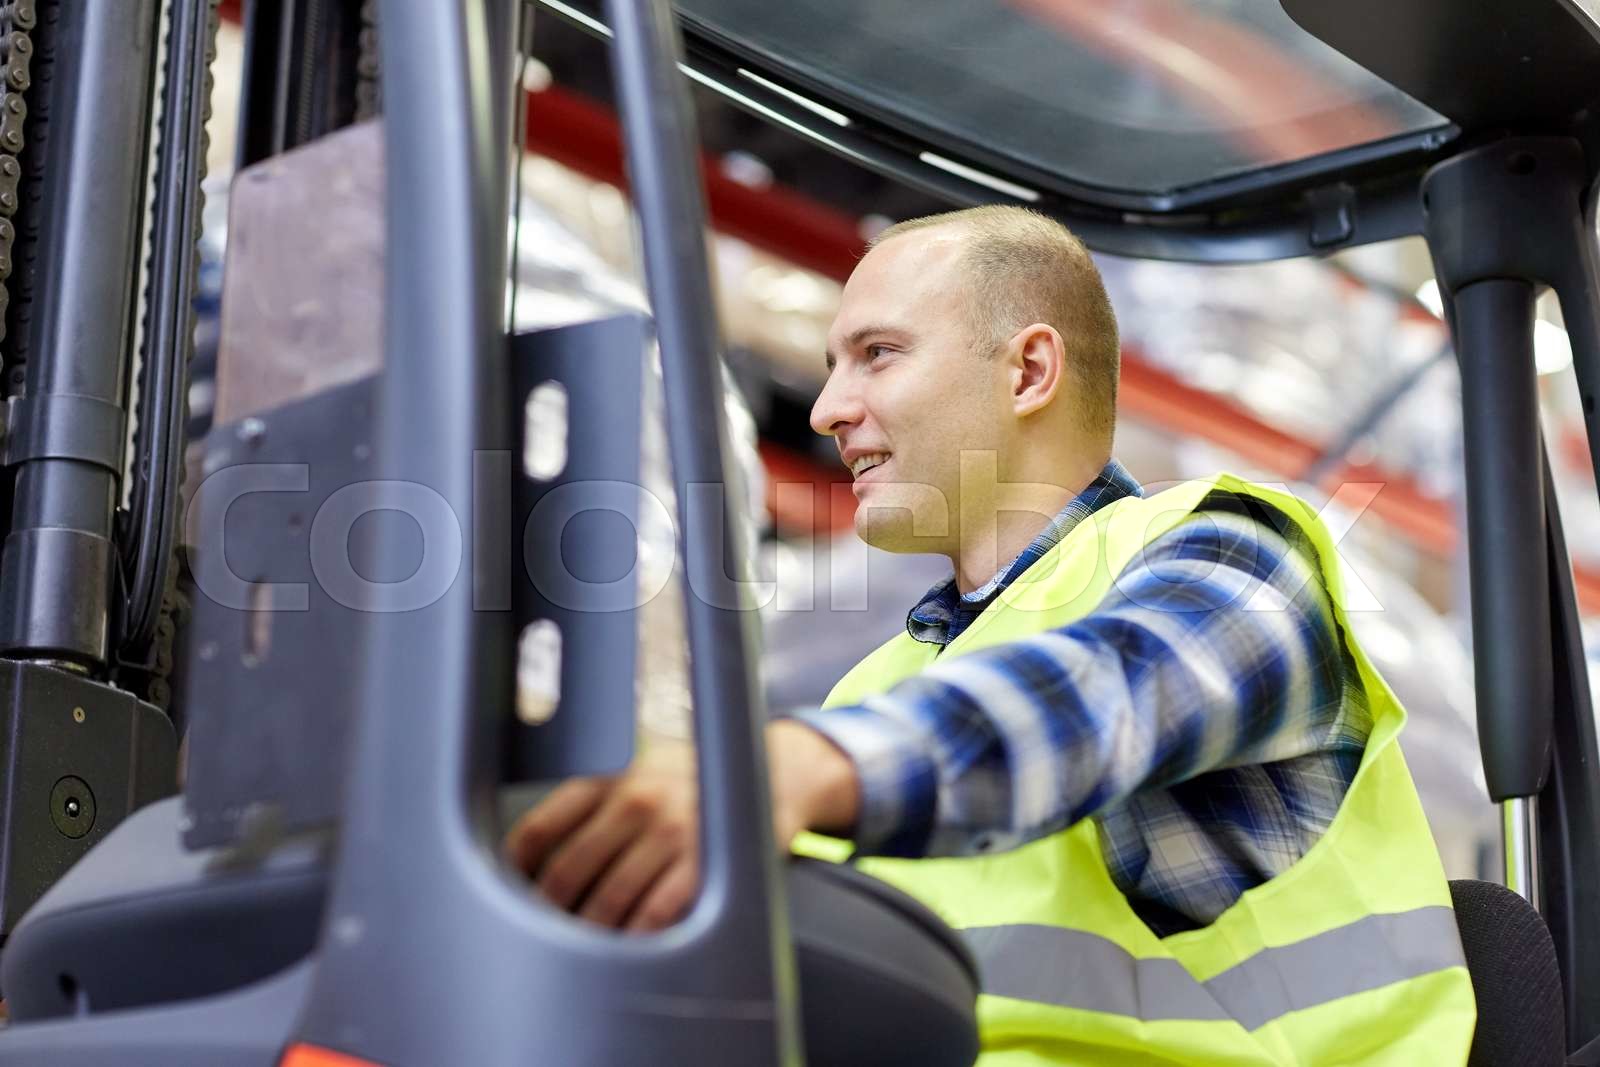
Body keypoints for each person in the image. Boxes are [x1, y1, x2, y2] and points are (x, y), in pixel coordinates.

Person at [507, 205, 1474, 1063]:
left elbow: (1110, 697)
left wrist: (793, 767)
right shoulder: (879, 685)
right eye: (833, 362)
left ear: (1030, 370)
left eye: (877, 353)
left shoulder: (1234, 555)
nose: (826, 408)